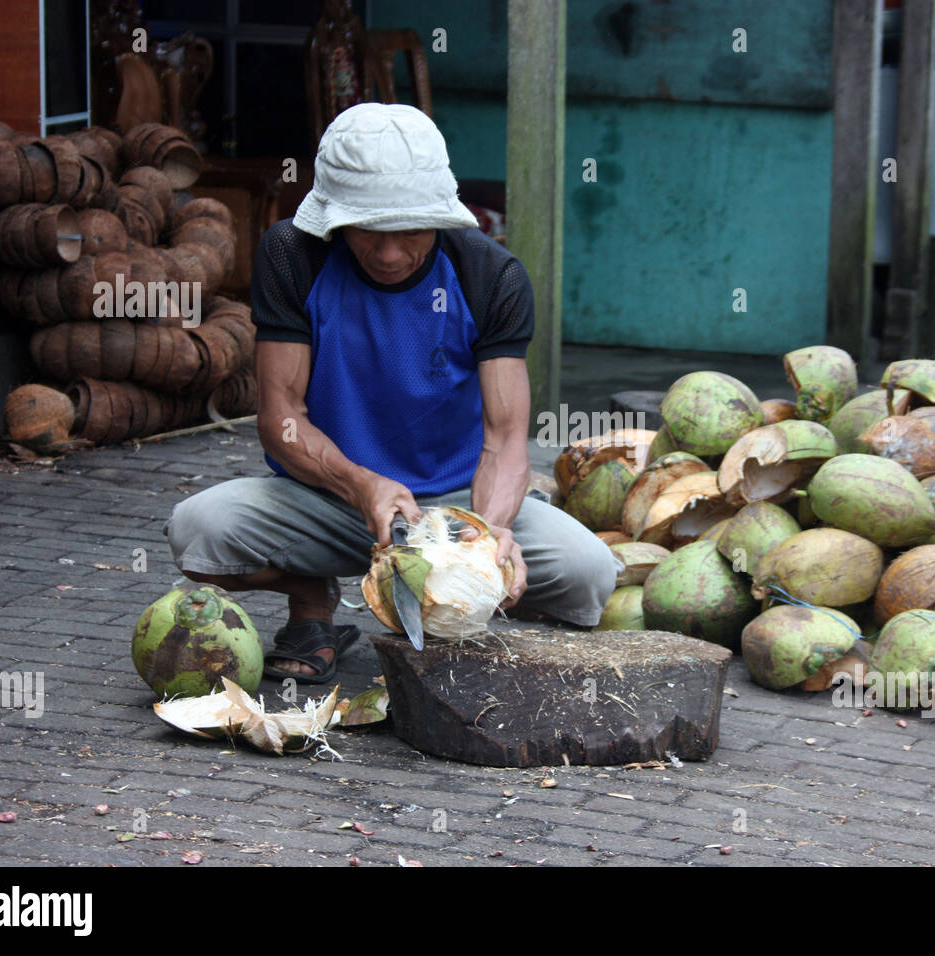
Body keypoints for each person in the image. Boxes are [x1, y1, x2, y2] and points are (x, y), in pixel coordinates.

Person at [165, 104, 617, 682]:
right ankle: (311, 602)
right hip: (332, 498)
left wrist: (488, 534)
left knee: (590, 573)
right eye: (368, 231)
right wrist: (361, 484)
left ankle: (448, 605)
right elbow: (280, 420)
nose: (389, 254)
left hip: (459, 506)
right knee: (198, 531)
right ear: (333, 219)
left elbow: (505, 440)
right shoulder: (293, 255)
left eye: (410, 231)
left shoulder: (490, 277)